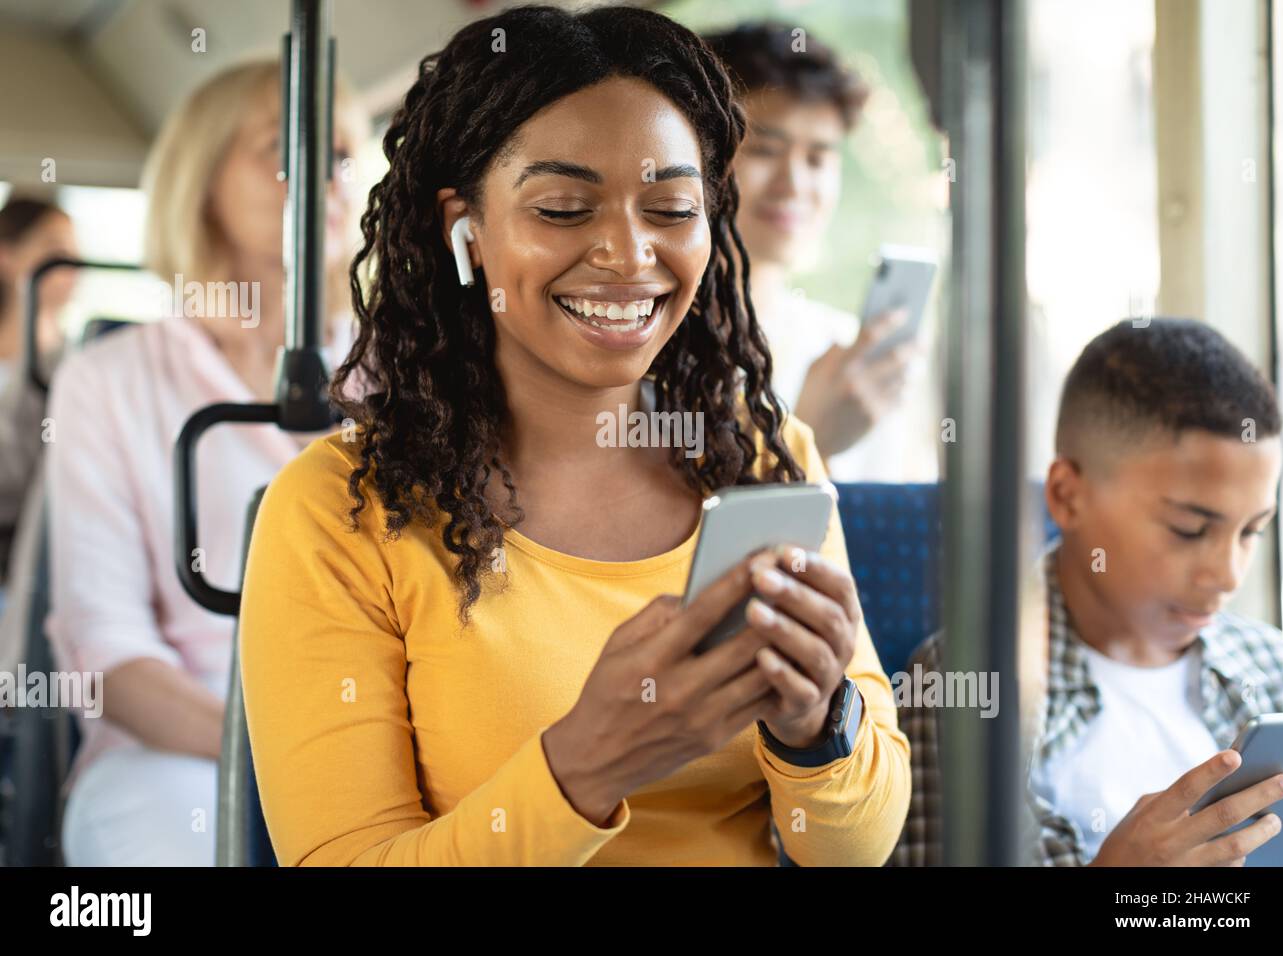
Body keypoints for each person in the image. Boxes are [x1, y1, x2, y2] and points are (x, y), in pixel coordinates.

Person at [239, 5, 911, 867]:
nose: (629, 255)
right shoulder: (338, 508)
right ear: (464, 228)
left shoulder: (761, 459)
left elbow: (850, 852)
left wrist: (817, 730)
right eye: (562, 208)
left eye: (671, 207)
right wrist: (584, 768)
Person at [45, 59, 365, 866]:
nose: (324, 179)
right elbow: (109, 652)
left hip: (379, 739)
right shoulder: (110, 380)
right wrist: (281, 763)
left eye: (341, 155)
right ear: (203, 177)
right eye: (284, 150)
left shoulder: (398, 369)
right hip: (179, 754)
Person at [890, 318, 1283, 866]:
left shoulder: (1277, 670)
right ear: (1068, 496)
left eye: (1252, 531)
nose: (1227, 575)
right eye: (1188, 529)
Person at [704, 21, 926, 482]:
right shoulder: (644, 349)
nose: (795, 184)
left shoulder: (847, 359)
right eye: (764, 149)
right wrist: (806, 439)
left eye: (818, 157)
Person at [0, 197, 77, 590]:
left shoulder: (80, 367)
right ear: (7, 256)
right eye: (54, 250)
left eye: (75, 254)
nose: (71, 266)